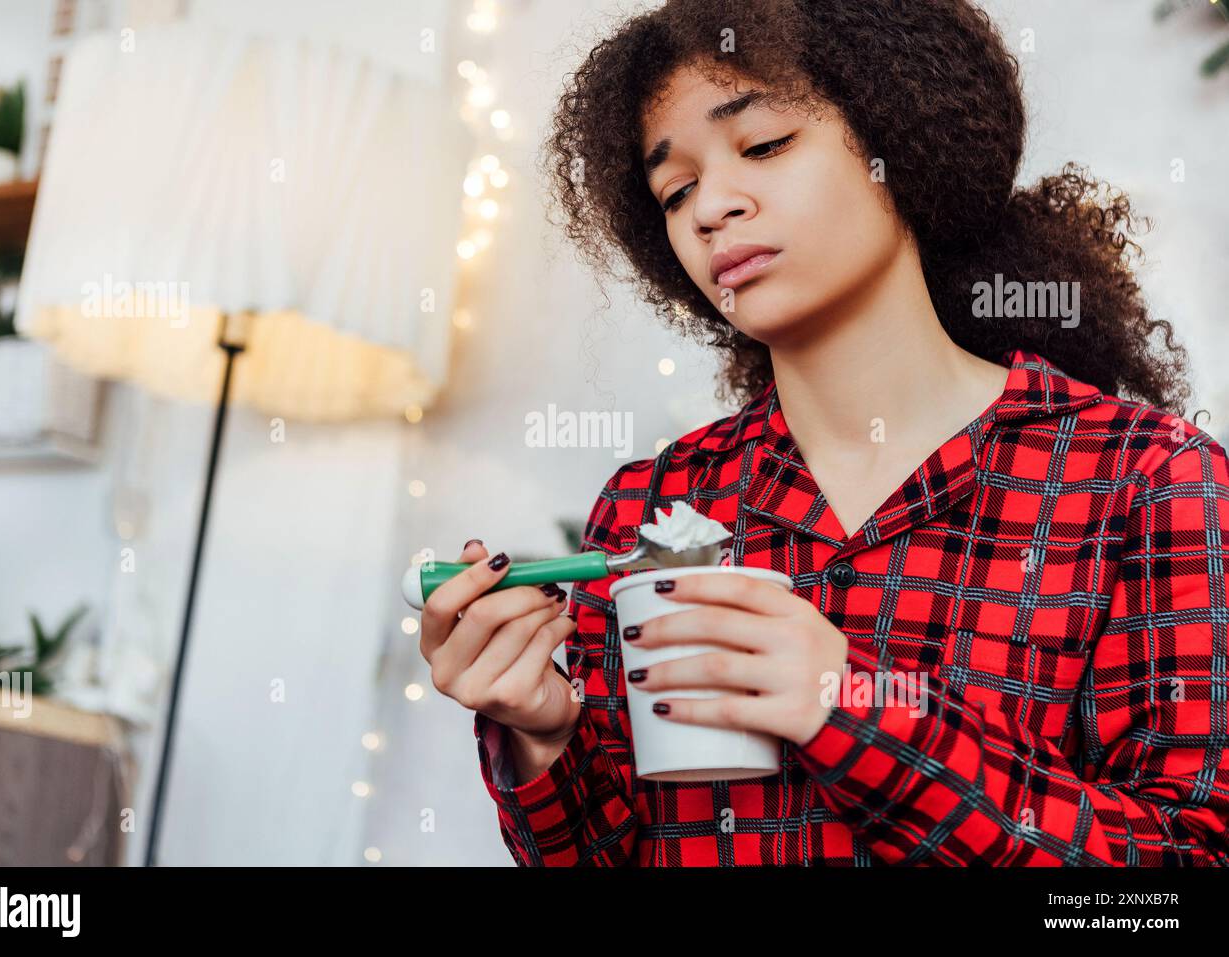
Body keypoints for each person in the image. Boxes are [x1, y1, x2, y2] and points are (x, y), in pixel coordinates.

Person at [419, 0, 1229, 865]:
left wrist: (848, 701)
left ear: (898, 137)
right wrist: (544, 733)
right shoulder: (650, 506)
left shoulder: (1150, 485)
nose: (711, 208)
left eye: (764, 146)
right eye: (676, 189)